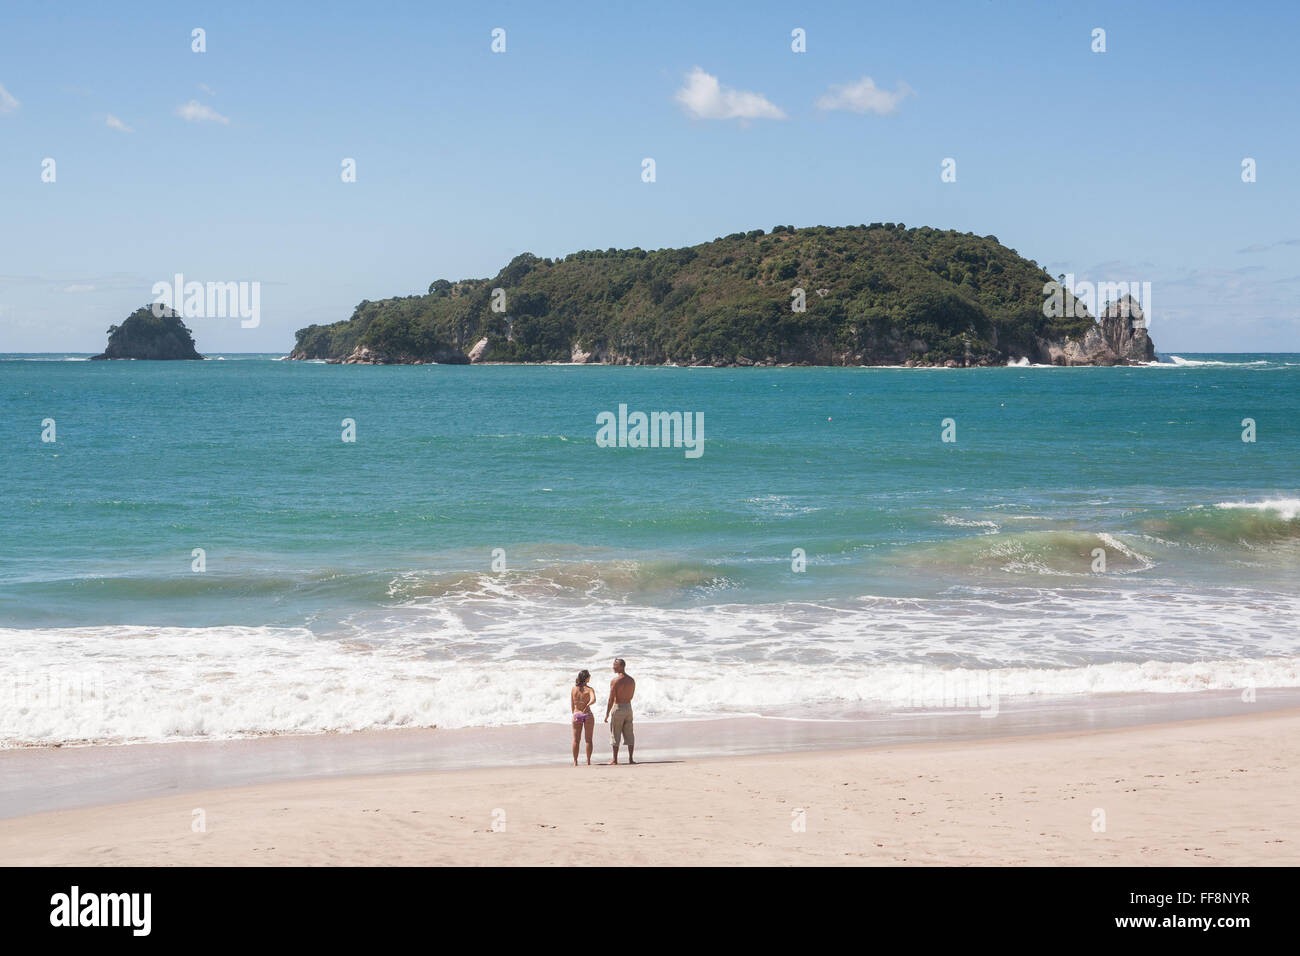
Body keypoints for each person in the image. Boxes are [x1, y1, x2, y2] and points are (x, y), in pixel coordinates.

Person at [603, 658, 636, 765]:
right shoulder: (631, 680)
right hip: (628, 708)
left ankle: (615, 760)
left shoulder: (615, 681)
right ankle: (630, 759)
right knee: (629, 733)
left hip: (618, 707)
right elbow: (631, 695)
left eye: (615, 665)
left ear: (620, 666)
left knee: (615, 733)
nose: (613, 667)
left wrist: (607, 714)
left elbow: (611, 699)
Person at [570, 670, 597, 766]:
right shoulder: (589, 689)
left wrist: (575, 713)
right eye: (589, 676)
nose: (590, 677)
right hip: (587, 714)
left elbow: (572, 705)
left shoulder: (574, 689)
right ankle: (588, 761)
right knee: (588, 740)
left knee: (576, 740)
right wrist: (588, 705)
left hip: (577, 714)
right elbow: (594, 699)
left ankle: (575, 762)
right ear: (586, 678)